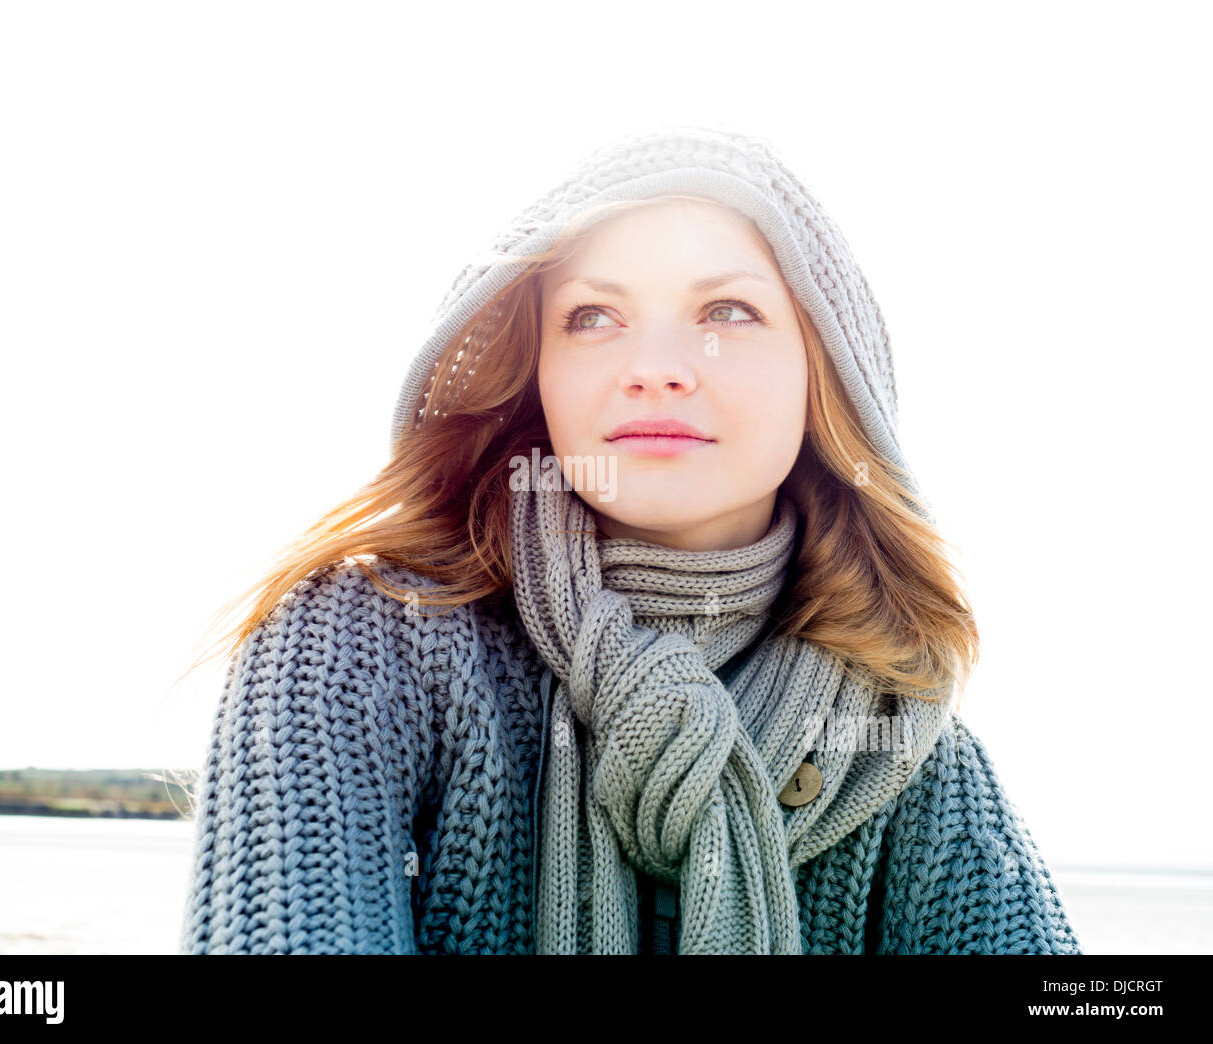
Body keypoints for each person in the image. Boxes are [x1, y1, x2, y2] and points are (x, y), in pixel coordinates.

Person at [177, 125, 1083, 955]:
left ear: (827, 370)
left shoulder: (898, 743)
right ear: (538, 371)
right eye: (592, 317)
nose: (654, 369)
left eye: (727, 311)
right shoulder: (357, 649)